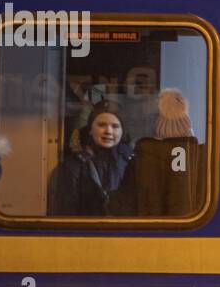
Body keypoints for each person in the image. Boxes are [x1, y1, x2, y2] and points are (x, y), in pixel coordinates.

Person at [119, 88, 206, 217]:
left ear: (155, 123)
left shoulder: (141, 160)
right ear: (186, 121)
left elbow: (124, 207)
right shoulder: (204, 159)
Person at [47, 102, 134, 216]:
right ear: (90, 129)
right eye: (101, 125)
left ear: (122, 132)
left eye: (115, 126)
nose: (108, 131)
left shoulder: (131, 163)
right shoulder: (72, 167)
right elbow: (64, 212)